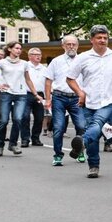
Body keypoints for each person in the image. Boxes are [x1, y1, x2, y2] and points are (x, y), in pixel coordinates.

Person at [66, 25, 112, 178]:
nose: (103, 40)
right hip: (89, 101)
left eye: (105, 38)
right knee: (94, 132)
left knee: (96, 123)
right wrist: (80, 93)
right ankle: (93, 166)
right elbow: (70, 78)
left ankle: (83, 141)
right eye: (99, 38)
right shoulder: (83, 57)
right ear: (92, 40)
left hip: (111, 100)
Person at [0, 41, 30, 157]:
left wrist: (35, 93)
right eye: (16, 48)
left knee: (18, 119)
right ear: (9, 49)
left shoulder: (24, 63)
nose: (19, 50)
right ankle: (0, 146)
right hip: (6, 94)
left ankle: (13, 144)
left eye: (20, 49)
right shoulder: (2, 62)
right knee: (3, 120)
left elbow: (28, 79)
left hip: (21, 94)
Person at [45, 35, 86, 166]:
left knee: (81, 126)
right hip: (59, 97)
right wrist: (47, 99)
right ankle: (58, 155)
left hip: (76, 97)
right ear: (63, 46)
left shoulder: (83, 60)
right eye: (68, 44)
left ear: (78, 46)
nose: (71, 47)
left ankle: (79, 151)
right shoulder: (56, 61)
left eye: (74, 44)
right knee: (58, 127)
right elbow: (48, 80)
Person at [20, 47, 48, 147]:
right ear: (29, 56)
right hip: (26, 94)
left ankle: (35, 138)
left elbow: (47, 83)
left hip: (40, 95)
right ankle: (25, 139)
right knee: (25, 117)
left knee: (39, 118)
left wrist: (47, 97)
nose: (38, 56)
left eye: (39, 54)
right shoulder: (24, 66)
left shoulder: (44, 68)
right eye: (35, 54)